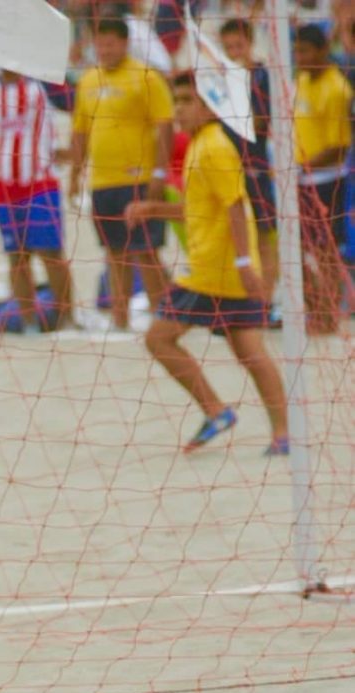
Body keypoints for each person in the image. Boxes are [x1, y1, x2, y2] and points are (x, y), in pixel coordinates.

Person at [126, 73, 289, 456]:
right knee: (249, 351)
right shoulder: (200, 144)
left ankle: (216, 410)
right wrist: (153, 208)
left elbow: (236, 206)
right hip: (219, 268)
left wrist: (245, 263)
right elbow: (199, 208)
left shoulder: (214, 147)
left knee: (158, 338)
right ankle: (283, 432)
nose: (178, 109)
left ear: (210, 108)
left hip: (214, 272)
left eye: (187, 101)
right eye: (177, 101)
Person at [0, 67, 75, 332]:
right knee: (17, 257)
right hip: (2, 186)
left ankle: (67, 318)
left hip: (41, 182)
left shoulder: (44, 83)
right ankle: (29, 323)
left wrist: (74, 150)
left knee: (52, 254)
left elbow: (83, 108)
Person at [69, 16, 173, 331]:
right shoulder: (88, 80)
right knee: (114, 253)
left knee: (146, 251)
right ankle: (120, 320)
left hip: (139, 179)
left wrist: (159, 173)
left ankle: (163, 319)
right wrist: (75, 174)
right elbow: (80, 131)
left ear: (125, 44)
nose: (104, 50)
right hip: (102, 182)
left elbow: (165, 127)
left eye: (110, 44)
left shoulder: (146, 77)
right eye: (99, 44)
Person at [293, 23, 352, 333]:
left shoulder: (337, 89)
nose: (299, 57)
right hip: (301, 178)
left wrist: (301, 166)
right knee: (298, 249)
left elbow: (339, 146)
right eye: (296, 51)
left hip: (327, 180)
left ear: (323, 51)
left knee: (325, 250)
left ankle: (329, 315)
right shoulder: (301, 80)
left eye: (305, 51)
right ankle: (315, 308)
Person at [218, 18, 278, 307]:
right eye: (228, 47)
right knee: (232, 232)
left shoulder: (262, 77)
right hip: (227, 166)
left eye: (238, 46)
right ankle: (241, 297)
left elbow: (261, 123)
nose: (233, 53)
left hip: (255, 166)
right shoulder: (220, 79)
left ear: (250, 44)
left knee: (264, 233)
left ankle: (266, 299)